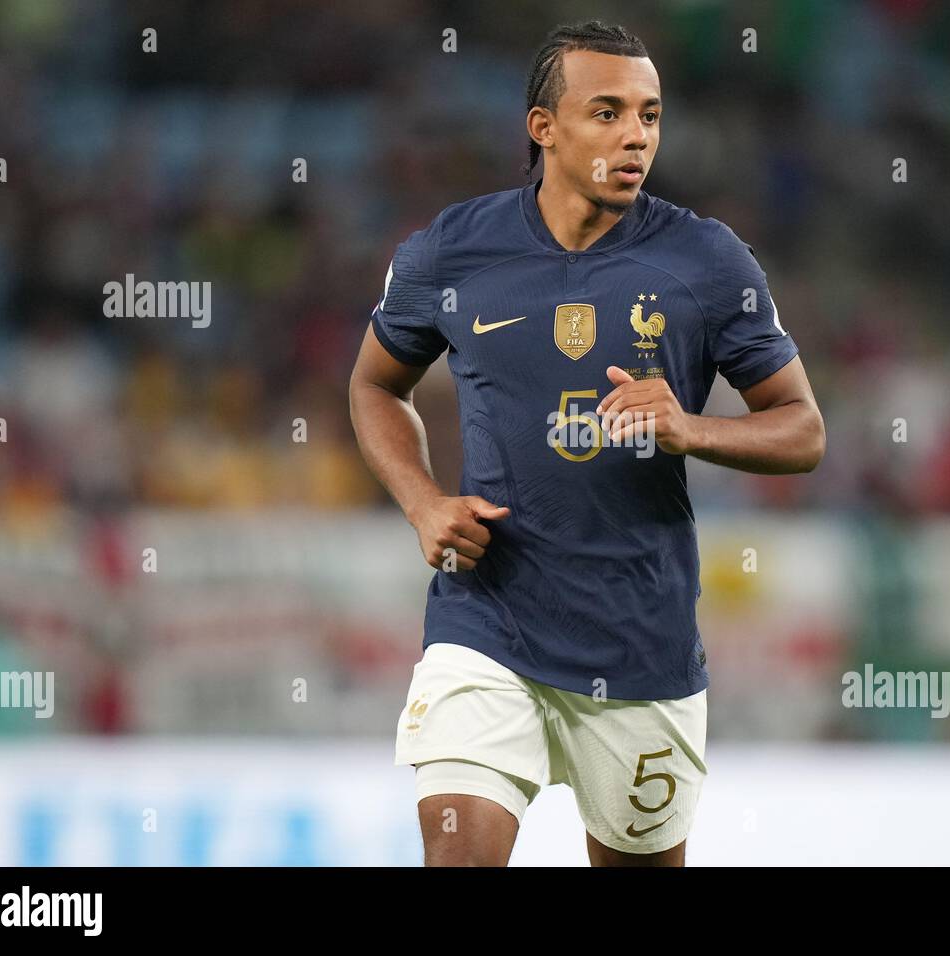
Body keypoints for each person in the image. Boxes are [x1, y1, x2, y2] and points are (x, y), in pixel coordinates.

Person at [349, 19, 824, 866]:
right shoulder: (452, 252)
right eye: (606, 112)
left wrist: (688, 426)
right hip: (487, 618)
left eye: (649, 115)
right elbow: (374, 384)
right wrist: (423, 502)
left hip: (638, 638)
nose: (635, 134)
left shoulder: (707, 262)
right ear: (544, 128)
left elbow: (802, 428)